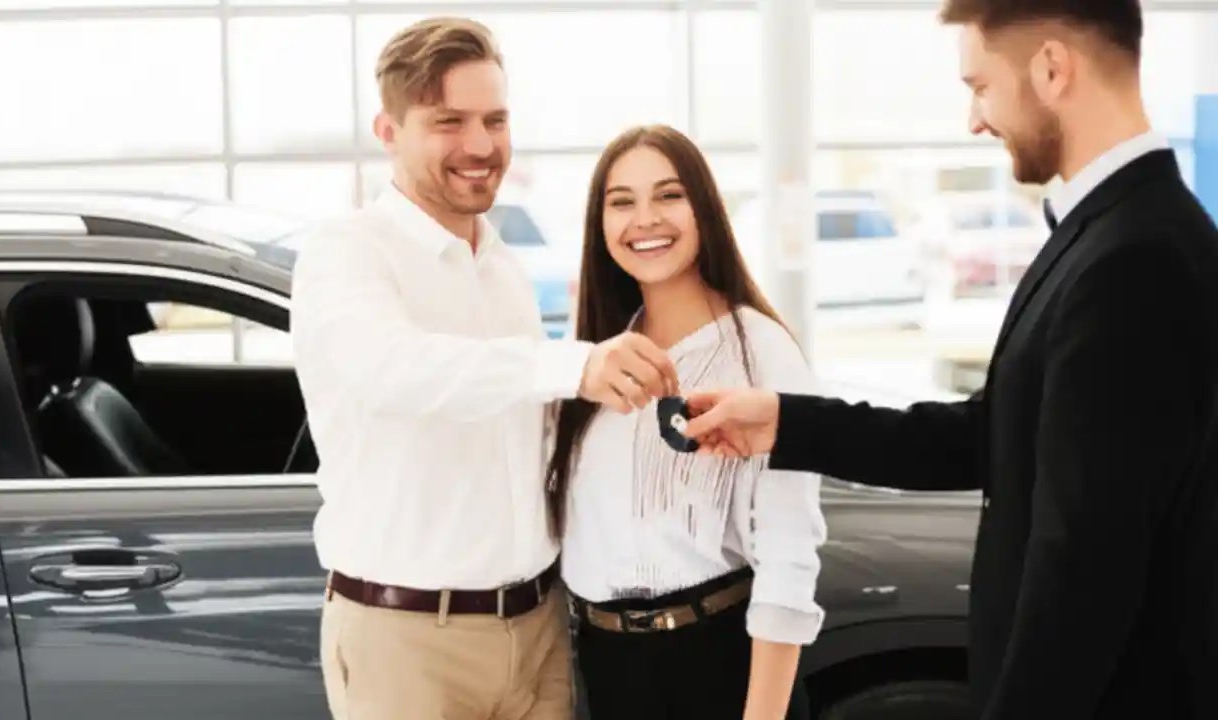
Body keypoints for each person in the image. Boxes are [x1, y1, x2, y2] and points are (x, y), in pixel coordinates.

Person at [680, 2, 1218, 719]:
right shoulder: (1113, 233)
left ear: (1053, 69)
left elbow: (1085, 572)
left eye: (980, 86)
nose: (974, 119)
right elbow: (990, 436)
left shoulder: (1134, 260)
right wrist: (785, 422)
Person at [290, 17, 680, 720]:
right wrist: (578, 365)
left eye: (495, 120)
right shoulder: (345, 253)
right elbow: (400, 371)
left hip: (535, 631)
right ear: (388, 131)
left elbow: (527, 425)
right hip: (407, 643)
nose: (480, 145)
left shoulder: (499, 263)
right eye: (449, 121)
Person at [546, 124, 825, 720]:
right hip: (607, 668)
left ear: (705, 210)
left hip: (715, 668)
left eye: (669, 195)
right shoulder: (599, 362)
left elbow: (789, 553)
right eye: (621, 202)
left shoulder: (760, 351)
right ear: (600, 226)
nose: (645, 219)